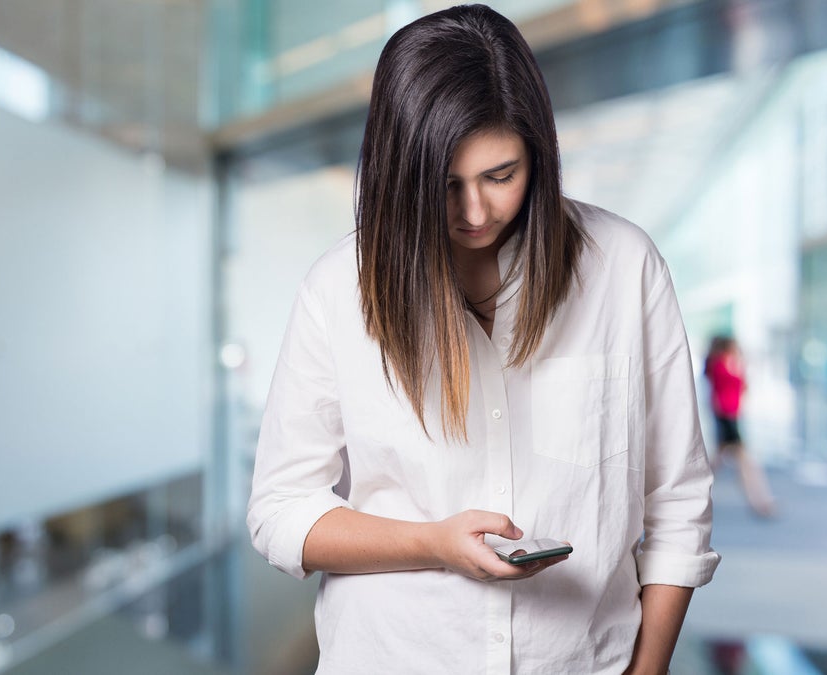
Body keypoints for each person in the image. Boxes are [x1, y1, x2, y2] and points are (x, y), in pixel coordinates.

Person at [246, 5, 720, 673]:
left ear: (539, 153)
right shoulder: (337, 290)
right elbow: (280, 508)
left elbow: (677, 501)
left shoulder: (623, 266)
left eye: (501, 175)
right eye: (444, 186)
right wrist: (433, 543)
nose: (476, 212)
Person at [704, 335, 776, 518]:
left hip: (732, 415)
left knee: (722, 463)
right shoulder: (719, 365)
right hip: (726, 417)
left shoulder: (730, 363)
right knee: (745, 462)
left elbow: (743, 386)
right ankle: (760, 499)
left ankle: (759, 499)